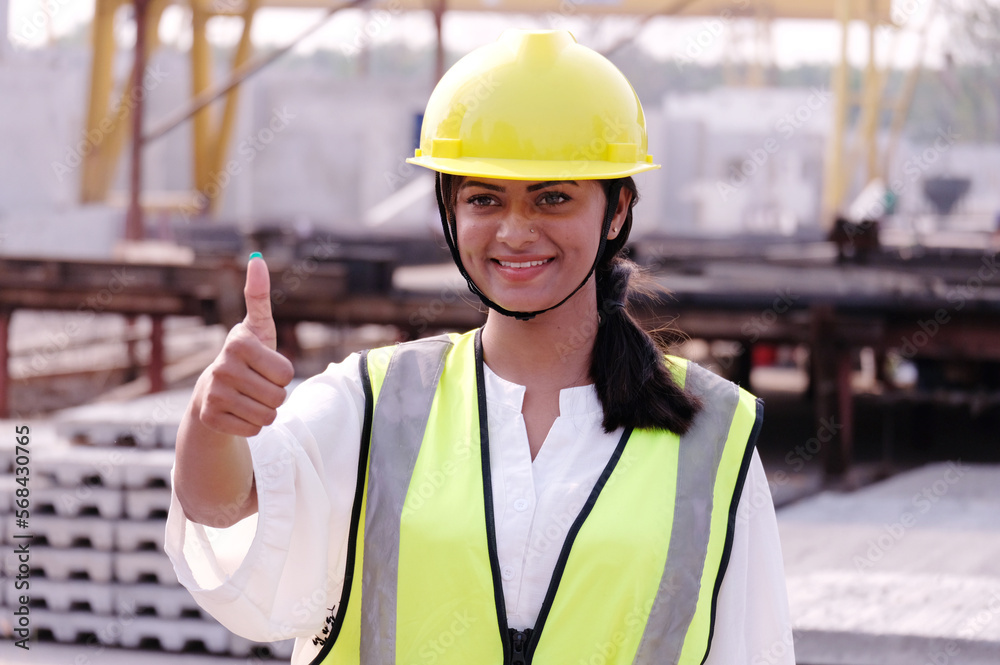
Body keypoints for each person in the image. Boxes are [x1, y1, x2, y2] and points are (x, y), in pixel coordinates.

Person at [166, 29, 794, 665]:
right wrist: (212, 418)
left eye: (553, 198)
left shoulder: (714, 434)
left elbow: (756, 649)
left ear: (616, 210)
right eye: (484, 199)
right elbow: (220, 508)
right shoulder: (377, 402)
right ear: (449, 212)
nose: (516, 232)